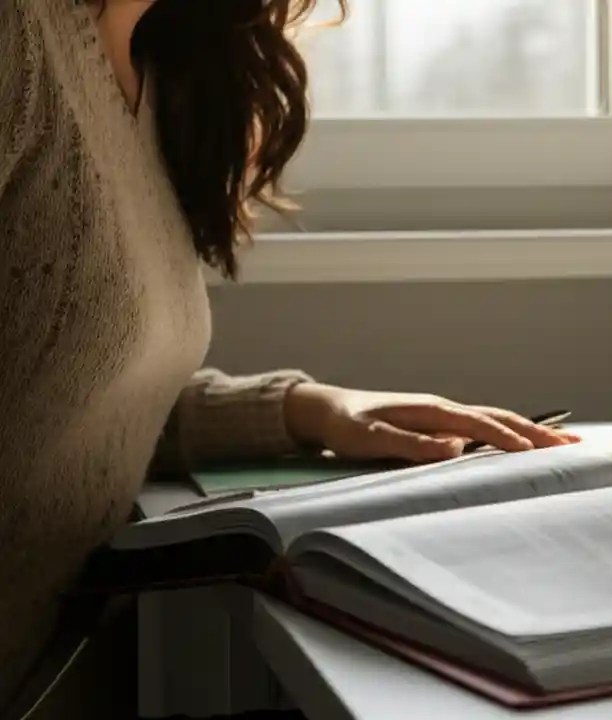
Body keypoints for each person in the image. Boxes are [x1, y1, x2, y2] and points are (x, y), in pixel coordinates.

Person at [0, 0, 579, 715]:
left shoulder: (158, 67)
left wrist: (312, 410)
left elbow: (72, 396)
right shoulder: (19, 41)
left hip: (69, 665)